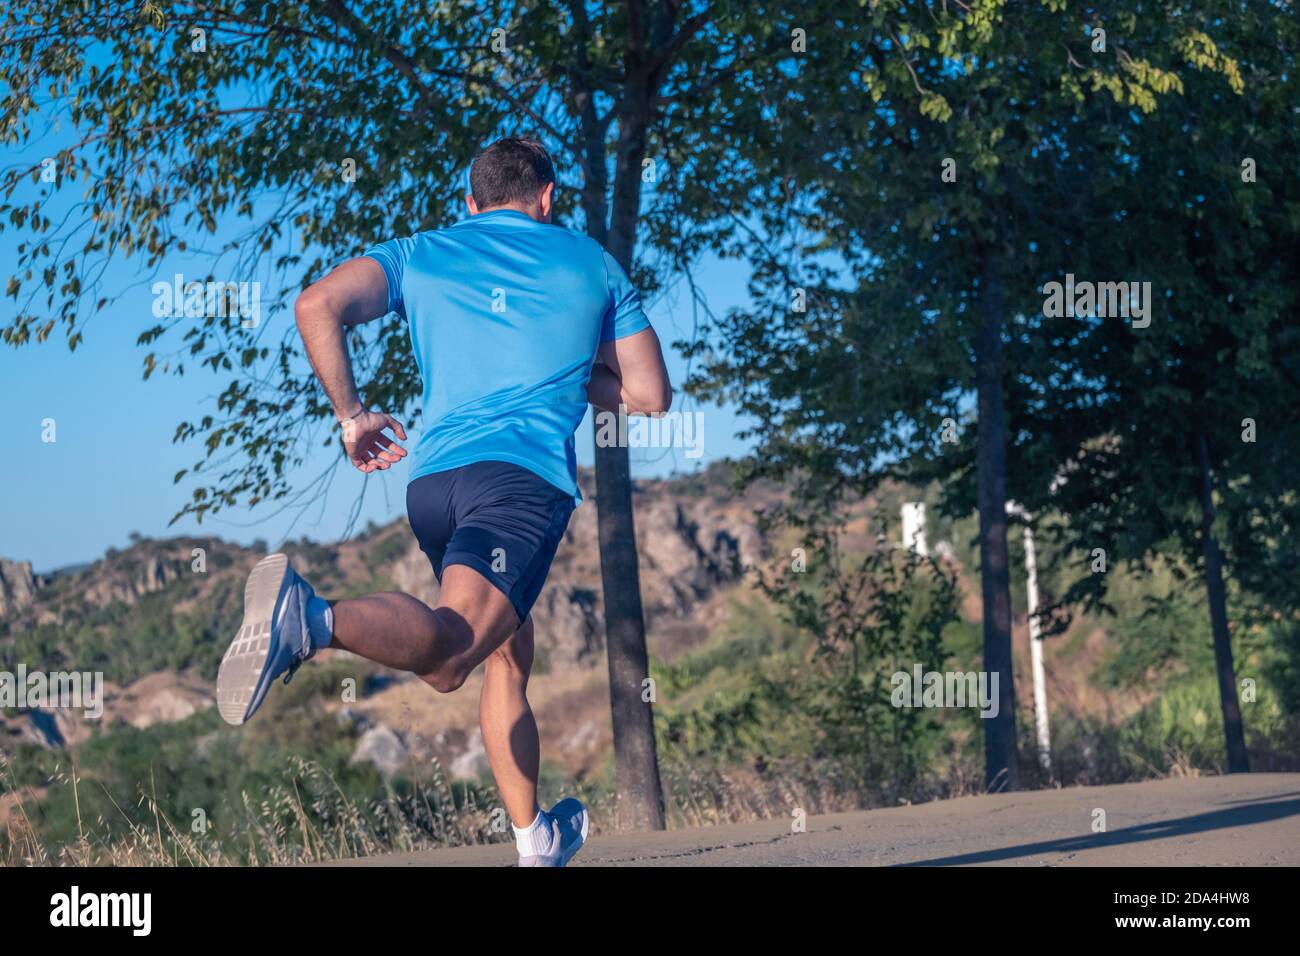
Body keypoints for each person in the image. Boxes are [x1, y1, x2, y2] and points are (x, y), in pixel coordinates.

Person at [214, 137, 672, 867]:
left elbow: (315, 304)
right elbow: (649, 394)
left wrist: (352, 414)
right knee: (454, 650)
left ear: (470, 204)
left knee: (505, 652)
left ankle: (535, 838)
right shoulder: (590, 261)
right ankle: (312, 620)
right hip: (519, 482)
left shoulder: (420, 251)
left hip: (433, 485)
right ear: (548, 199)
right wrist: (571, 370)